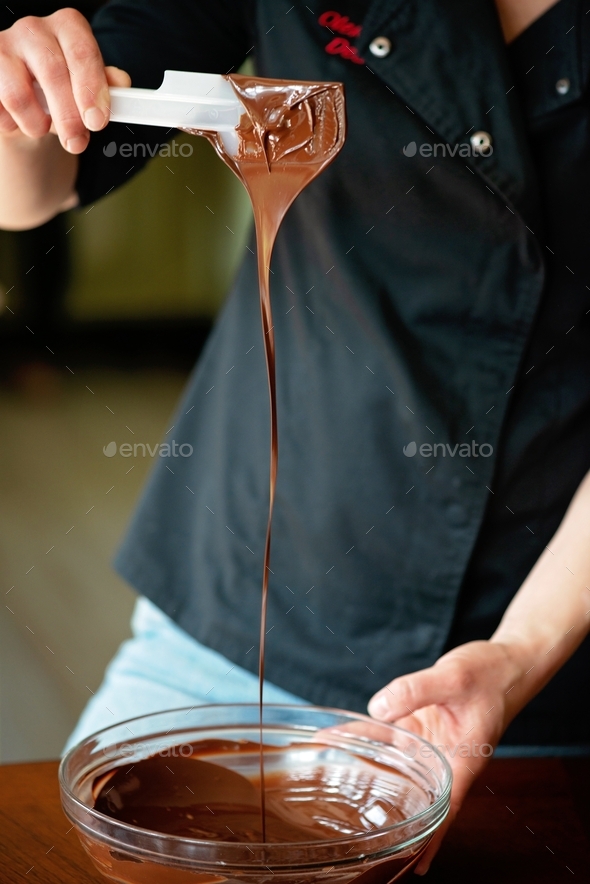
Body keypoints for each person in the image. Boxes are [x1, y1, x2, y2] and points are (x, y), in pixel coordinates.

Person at [1, 0, 589, 873]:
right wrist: (22, 102)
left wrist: (519, 654)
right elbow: (34, 187)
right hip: (238, 613)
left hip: (537, 667)